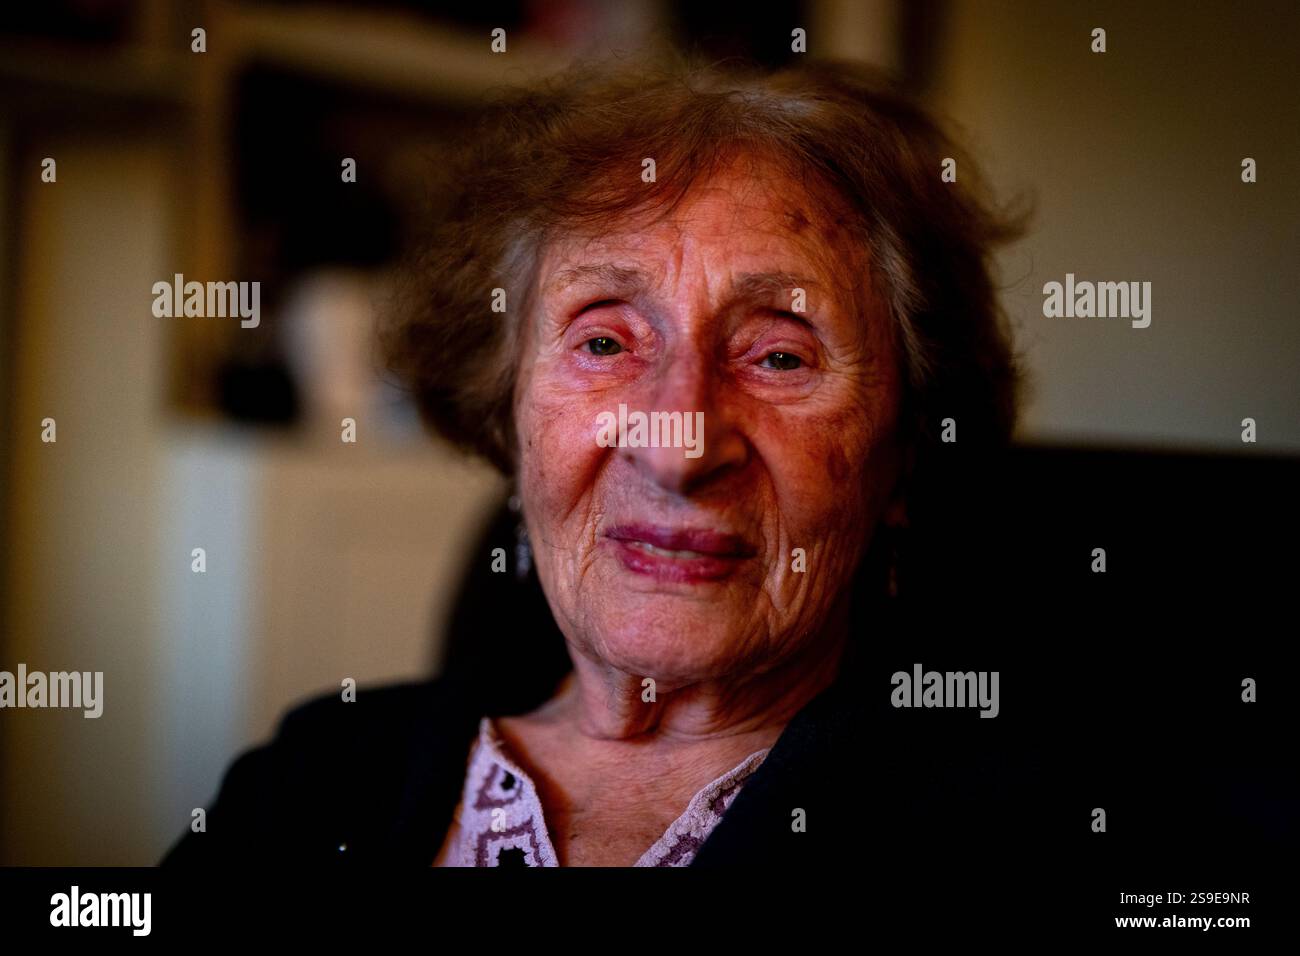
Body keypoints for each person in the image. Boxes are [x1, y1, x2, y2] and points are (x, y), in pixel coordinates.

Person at [162, 54, 1027, 869]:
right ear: (506, 408)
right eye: (606, 341)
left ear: (906, 451)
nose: (677, 449)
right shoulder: (313, 776)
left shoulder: (1004, 832)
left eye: (779, 357)